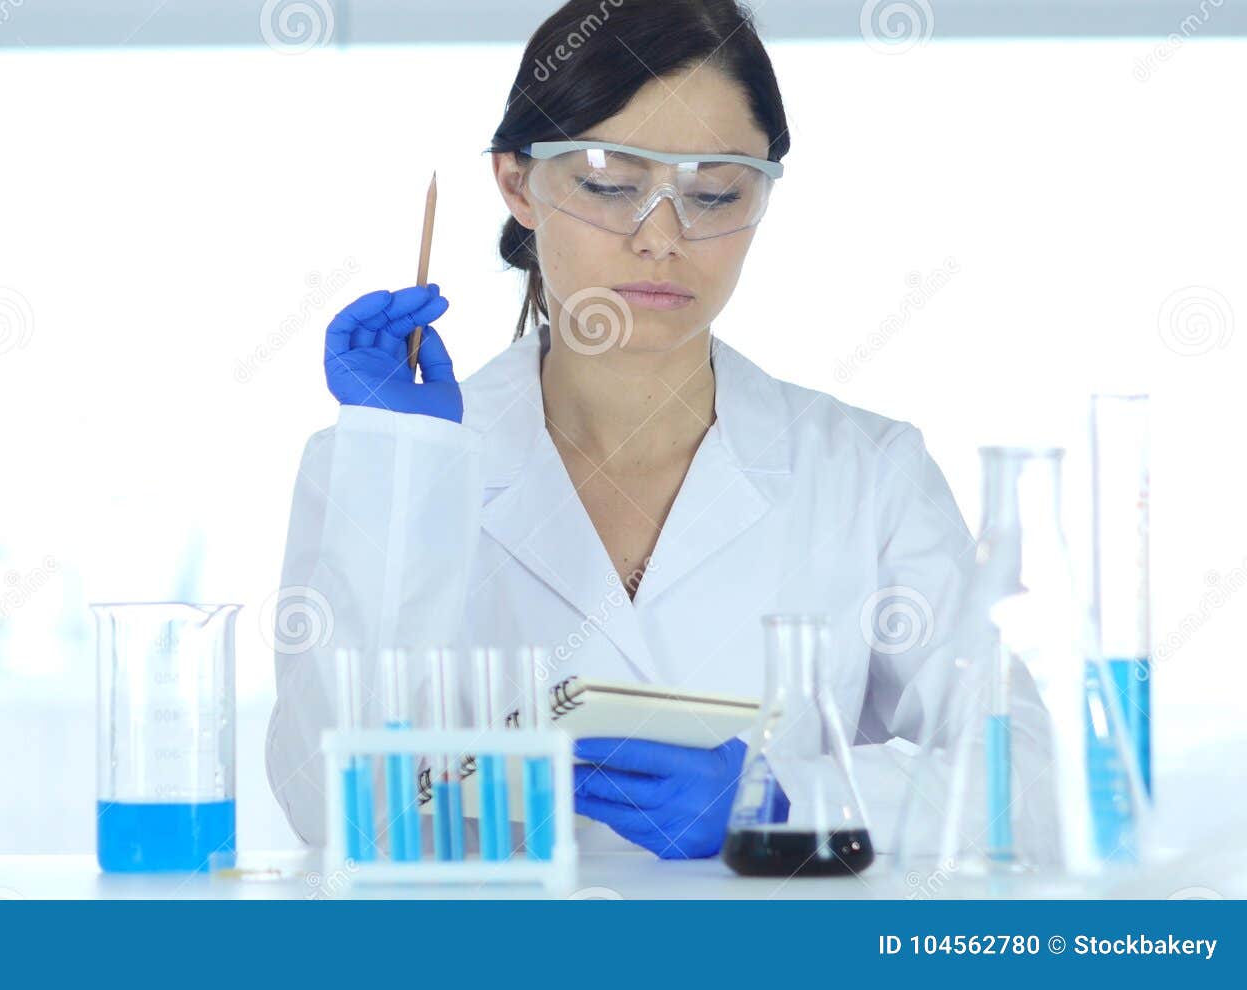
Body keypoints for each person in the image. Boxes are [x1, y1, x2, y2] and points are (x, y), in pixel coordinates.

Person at [265, 0, 1047, 861]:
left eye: (715, 192)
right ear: (519, 184)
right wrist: (403, 472)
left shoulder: (864, 472)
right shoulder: (378, 463)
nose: (664, 237)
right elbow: (326, 806)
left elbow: (1033, 775)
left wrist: (783, 799)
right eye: (610, 183)